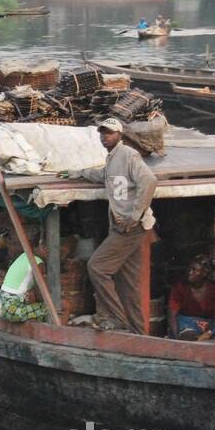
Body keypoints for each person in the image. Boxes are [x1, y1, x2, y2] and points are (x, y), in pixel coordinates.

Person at [60, 117, 158, 333]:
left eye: (110, 133)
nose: (105, 137)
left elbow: (149, 181)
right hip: (123, 226)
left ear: (119, 135)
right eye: (103, 133)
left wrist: (134, 215)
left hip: (129, 227)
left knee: (96, 267)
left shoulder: (128, 154)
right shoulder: (112, 159)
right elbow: (103, 175)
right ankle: (139, 334)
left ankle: (117, 318)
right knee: (128, 282)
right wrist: (77, 173)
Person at [168, 254, 215, 341]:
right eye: (190, 269)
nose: (190, 272)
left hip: (208, 325)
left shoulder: (214, 290)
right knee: (188, 336)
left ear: (204, 274)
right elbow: (172, 315)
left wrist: (209, 333)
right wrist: (176, 338)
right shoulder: (180, 288)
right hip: (186, 324)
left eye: (195, 270)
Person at [0, 250, 47, 322]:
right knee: (50, 310)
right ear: (44, 247)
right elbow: (41, 293)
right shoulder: (38, 262)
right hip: (11, 308)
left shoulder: (23, 256)